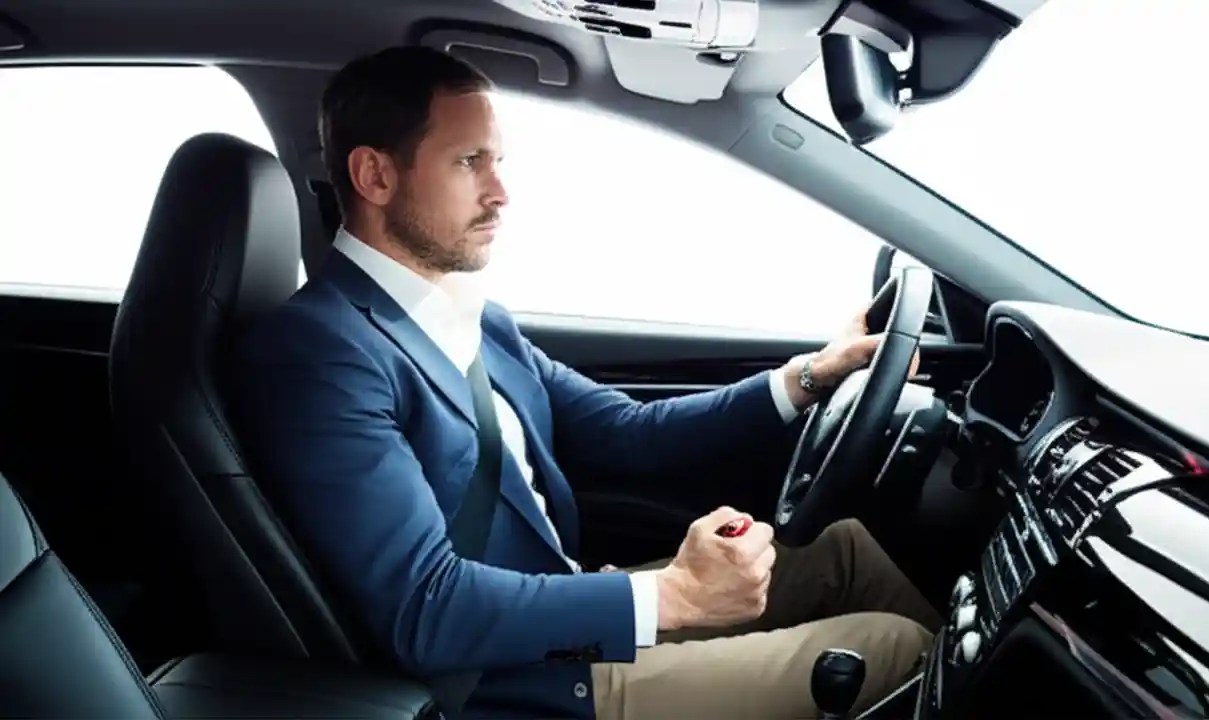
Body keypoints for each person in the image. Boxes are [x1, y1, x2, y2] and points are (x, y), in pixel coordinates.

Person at [231, 45, 942, 720]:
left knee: (843, 551)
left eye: (498, 160)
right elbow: (427, 609)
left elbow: (625, 434)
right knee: (895, 652)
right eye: (469, 161)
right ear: (376, 177)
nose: (501, 191)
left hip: (564, 620)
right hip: (515, 685)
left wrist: (813, 376)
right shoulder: (320, 353)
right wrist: (669, 596)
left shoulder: (469, 319)